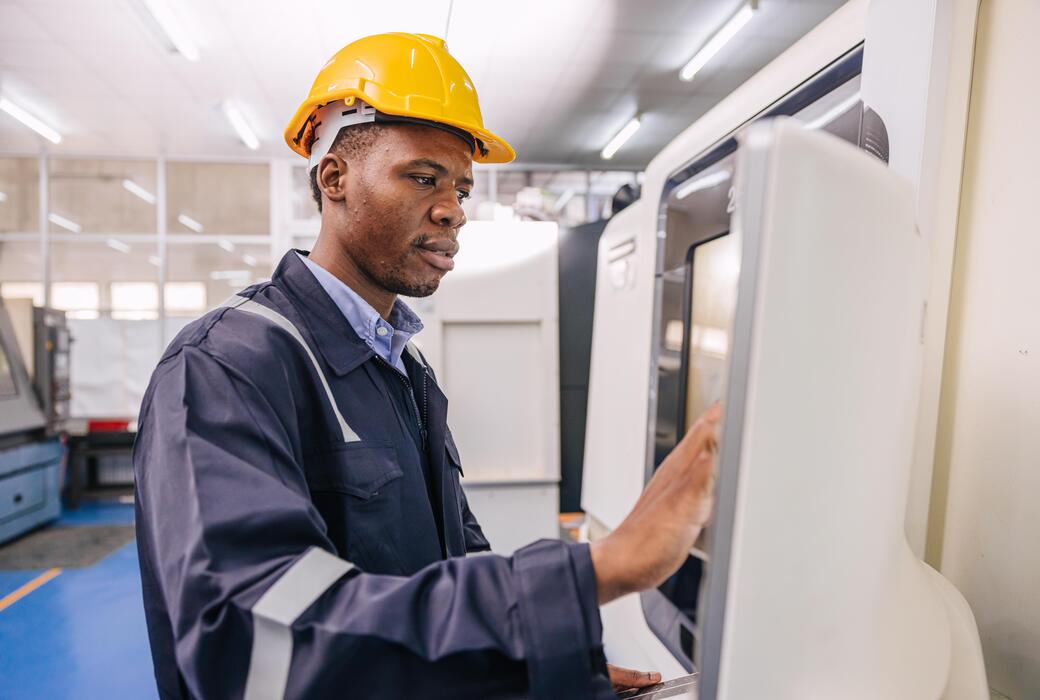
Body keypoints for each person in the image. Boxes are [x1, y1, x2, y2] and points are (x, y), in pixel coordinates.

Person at [133, 32, 721, 699]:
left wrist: (533, 663)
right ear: (335, 180)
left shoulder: (406, 373)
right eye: (421, 178)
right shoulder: (225, 369)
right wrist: (598, 570)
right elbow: (249, 645)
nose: (454, 211)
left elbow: (446, 569)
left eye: (462, 189)